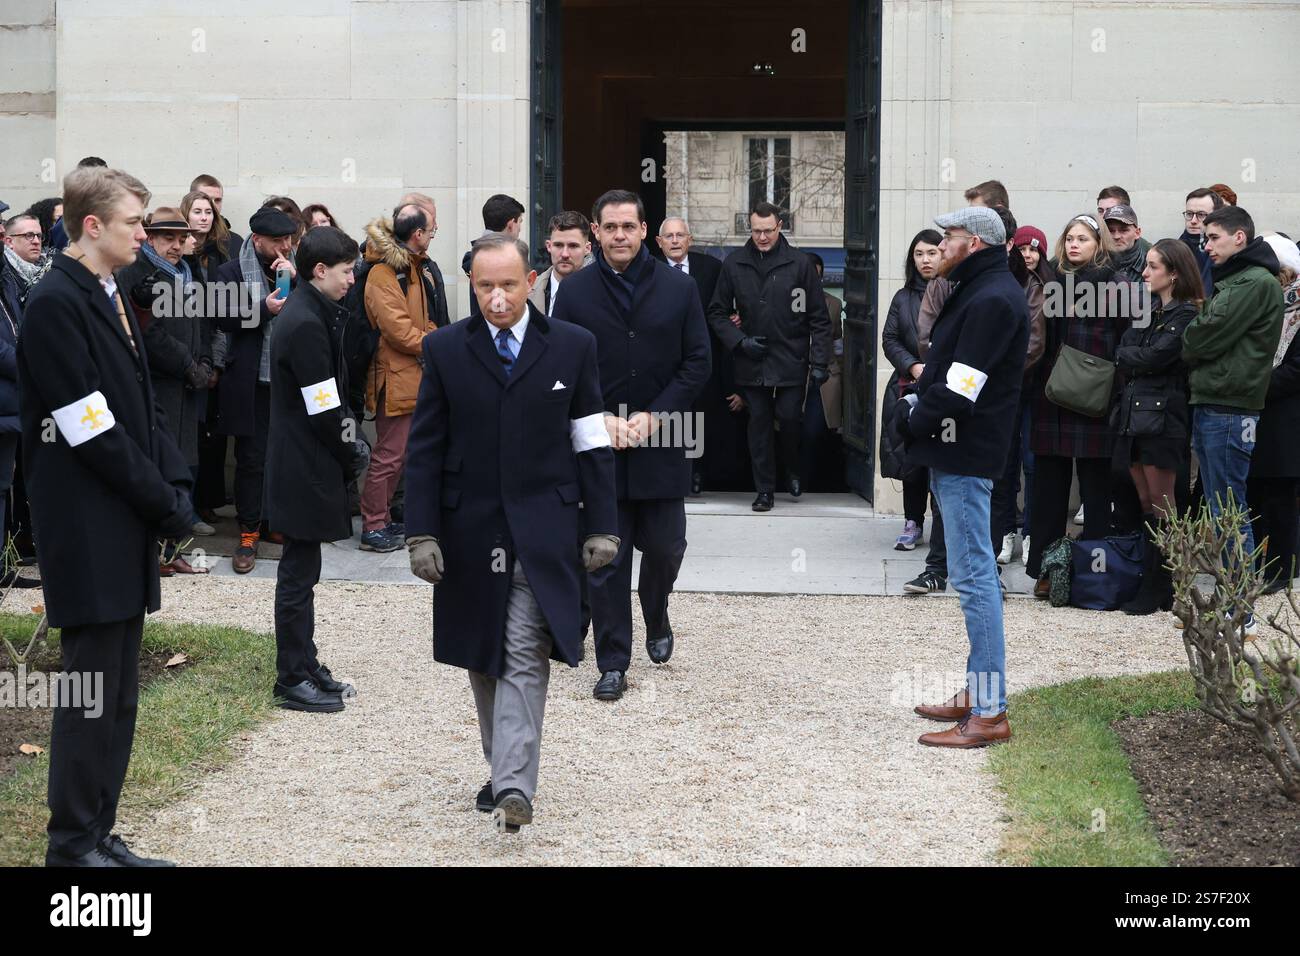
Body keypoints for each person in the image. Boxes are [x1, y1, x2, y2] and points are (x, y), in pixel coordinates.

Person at [404, 234, 619, 832]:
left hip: (544, 528)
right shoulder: (445, 349)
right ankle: (503, 768)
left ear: (531, 281)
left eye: (507, 285)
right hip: (469, 530)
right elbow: (425, 447)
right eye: (483, 287)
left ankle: (514, 786)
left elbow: (590, 439)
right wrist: (420, 532)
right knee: (482, 654)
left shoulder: (574, 347)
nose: (496, 299)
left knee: (523, 650)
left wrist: (602, 525)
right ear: (471, 286)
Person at [21, 166, 193, 867]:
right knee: (89, 694)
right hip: (88, 523)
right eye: (133, 224)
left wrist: (172, 478)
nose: (142, 236)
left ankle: (100, 831)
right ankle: (71, 844)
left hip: (123, 519)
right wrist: (160, 498)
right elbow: (89, 428)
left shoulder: (108, 289)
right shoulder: (56, 303)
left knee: (120, 694)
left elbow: (136, 402)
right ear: (92, 226)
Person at [550, 189, 710, 701]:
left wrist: (654, 416)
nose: (619, 235)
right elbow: (560, 371)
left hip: (663, 442)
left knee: (665, 548)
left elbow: (698, 363)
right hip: (600, 448)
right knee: (605, 558)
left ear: (645, 231)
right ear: (595, 232)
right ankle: (613, 660)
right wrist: (597, 418)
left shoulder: (678, 290)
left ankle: (657, 610)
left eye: (628, 226)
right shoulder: (573, 295)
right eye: (610, 227)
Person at [897, 206, 1027, 748]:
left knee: (975, 579)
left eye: (947, 237)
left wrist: (911, 417)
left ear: (972, 243)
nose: (939, 245)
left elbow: (962, 389)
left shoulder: (993, 297)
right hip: (954, 452)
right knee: (972, 576)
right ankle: (979, 691)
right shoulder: (979, 289)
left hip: (966, 454)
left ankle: (990, 713)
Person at [264, 226, 368, 712]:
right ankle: (291, 677)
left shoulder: (312, 311)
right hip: (303, 462)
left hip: (308, 458)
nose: (353, 279)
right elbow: (322, 405)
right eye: (348, 271)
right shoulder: (306, 321)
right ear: (320, 271)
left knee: (305, 571)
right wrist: (353, 448)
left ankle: (306, 664)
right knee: (298, 575)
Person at [1183, 206, 1284, 591]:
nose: (1205, 245)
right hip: (1217, 401)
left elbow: (1199, 337)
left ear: (1238, 237)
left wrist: (1195, 335)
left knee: (1229, 509)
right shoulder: (1238, 279)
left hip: (1229, 407)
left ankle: (1239, 604)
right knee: (1221, 506)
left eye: (1212, 237)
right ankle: (1231, 596)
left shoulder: (1253, 282)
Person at [706, 200, 831, 510]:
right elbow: (717, 312)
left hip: (791, 356)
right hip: (751, 356)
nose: (762, 237)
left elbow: (819, 317)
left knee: (789, 418)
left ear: (779, 227)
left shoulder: (800, 264)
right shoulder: (734, 263)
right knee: (758, 423)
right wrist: (739, 342)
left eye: (767, 231)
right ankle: (765, 490)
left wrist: (820, 362)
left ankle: (792, 467)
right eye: (756, 231)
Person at [1025, 214, 1123, 590]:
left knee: (1096, 489)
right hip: (1052, 393)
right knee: (1049, 487)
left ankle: (1091, 574)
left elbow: (1126, 338)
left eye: (1083, 238)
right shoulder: (1050, 282)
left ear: (1098, 244)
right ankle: (1047, 571)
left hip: (1096, 395)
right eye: (1069, 238)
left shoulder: (1117, 285)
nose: (1074, 244)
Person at [116, 206, 214, 561]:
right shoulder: (136, 273)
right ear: (151, 238)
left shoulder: (188, 273)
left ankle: (176, 550)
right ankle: (155, 550)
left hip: (188, 387)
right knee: (160, 464)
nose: (176, 245)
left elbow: (201, 324)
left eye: (181, 238)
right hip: (160, 385)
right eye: (168, 238)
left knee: (185, 466)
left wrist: (204, 361)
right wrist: (188, 365)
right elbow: (148, 333)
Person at [1111, 239, 1201, 614]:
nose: (1145, 273)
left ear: (1174, 272)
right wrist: (1135, 356)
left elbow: (1156, 356)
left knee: (1166, 508)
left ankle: (1168, 587)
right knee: (1148, 505)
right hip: (1137, 415)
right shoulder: (1151, 310)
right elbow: (1125, 350)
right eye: (1145, 265)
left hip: (1164, 419)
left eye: (1153, 267)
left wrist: (1134, 356)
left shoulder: (1186, 315)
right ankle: (1157, 586)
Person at [211, 205, 299, 573]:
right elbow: (219, 315)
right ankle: (248, 531)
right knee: (251, 460)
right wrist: (263, 308)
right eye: (277, 241)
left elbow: (318, 314)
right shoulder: (229, 271)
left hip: (289, 381)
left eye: (289, 240)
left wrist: (297, 284)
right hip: (250, 381)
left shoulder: (298, 271)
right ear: (257, 240)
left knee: (286, 457)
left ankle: (276, 522)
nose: (284, 247)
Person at [358, 203, 440, 552]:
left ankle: (384, 520)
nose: (434, 234)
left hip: (411, 374)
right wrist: (438, 343)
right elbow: (399, 332)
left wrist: (432, 336)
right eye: (431, 230)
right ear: (417, 234)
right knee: (389, 455)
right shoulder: (384, 274)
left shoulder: (412, 268)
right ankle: (373, 525)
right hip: (395, 376)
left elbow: (422, 322)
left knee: (400, 454)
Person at [655, 216, 739, 495]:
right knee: (667, 416)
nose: (675, 241)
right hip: (663, 358)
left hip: (703, 355)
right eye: (669, 236)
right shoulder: (649, 270)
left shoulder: (712, 268)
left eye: (680, 235)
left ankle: (697, 473)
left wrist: (732, 319)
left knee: (701, 417)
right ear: (659, 242)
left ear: (690, 240)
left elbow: (724, 307)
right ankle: (672, 473)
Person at [881, 228, 941, 550]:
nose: (925, 260)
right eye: (919, 254)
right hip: (908, 387)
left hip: (944, 389)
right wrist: (912, 365)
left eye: (931, 253)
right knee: (911, 459)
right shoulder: (902, 298)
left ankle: (941, 528)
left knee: (940, 460)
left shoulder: (953, 292)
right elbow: (889, 339)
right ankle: (912, 522)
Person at [1248, 235, 1300, 593]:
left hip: (1287, 414)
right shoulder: (1262, 303)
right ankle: (1258, 564)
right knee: (1256, 490)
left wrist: (1254, 385)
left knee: (1280, 492)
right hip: (1255, 411)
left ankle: (1282, 567)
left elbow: (1296, 369)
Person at [799, 252, 846, 490]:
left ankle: (810, 484)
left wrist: (839, 370)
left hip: (823, 376)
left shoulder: (834, 304)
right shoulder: (786, 300)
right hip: (791, 374)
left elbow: (838, 342)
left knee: (815, 432)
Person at [462, 194, 525, 319]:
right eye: (520, 222)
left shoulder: (476, 256)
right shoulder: (502, 258)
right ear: (511, 224)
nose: (520, 229)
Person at [528, 210, 592, 316]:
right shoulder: (527, 292)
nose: (565, 254)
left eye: (573, 246)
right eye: (558, 245)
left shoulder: (604, 292)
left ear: (587, 248)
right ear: (549, 246)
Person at [1180, 187, 1224, 297]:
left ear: (1216, 216)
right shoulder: (1176, 250)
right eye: (1189, 214)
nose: (1193, 221)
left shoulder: (1226, 252)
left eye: (1201, 215)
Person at [190, 174, 243, 260]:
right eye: (207, 199)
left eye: (217, 200)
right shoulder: (177, 241)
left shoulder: (234, 242)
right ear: (191, 199)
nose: (213, 205)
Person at [3, 213, 53, 303]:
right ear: (9, 242)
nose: (36, 241)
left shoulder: (51, 269)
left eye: (39, 236)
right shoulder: (4, 276)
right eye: (29, 235)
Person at [1102, 203, 1151, 285]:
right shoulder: (1094, 261)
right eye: (1110, 231)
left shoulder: (1150, 263)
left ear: (1137, 233)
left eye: (1123, 230)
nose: (1116, 236)